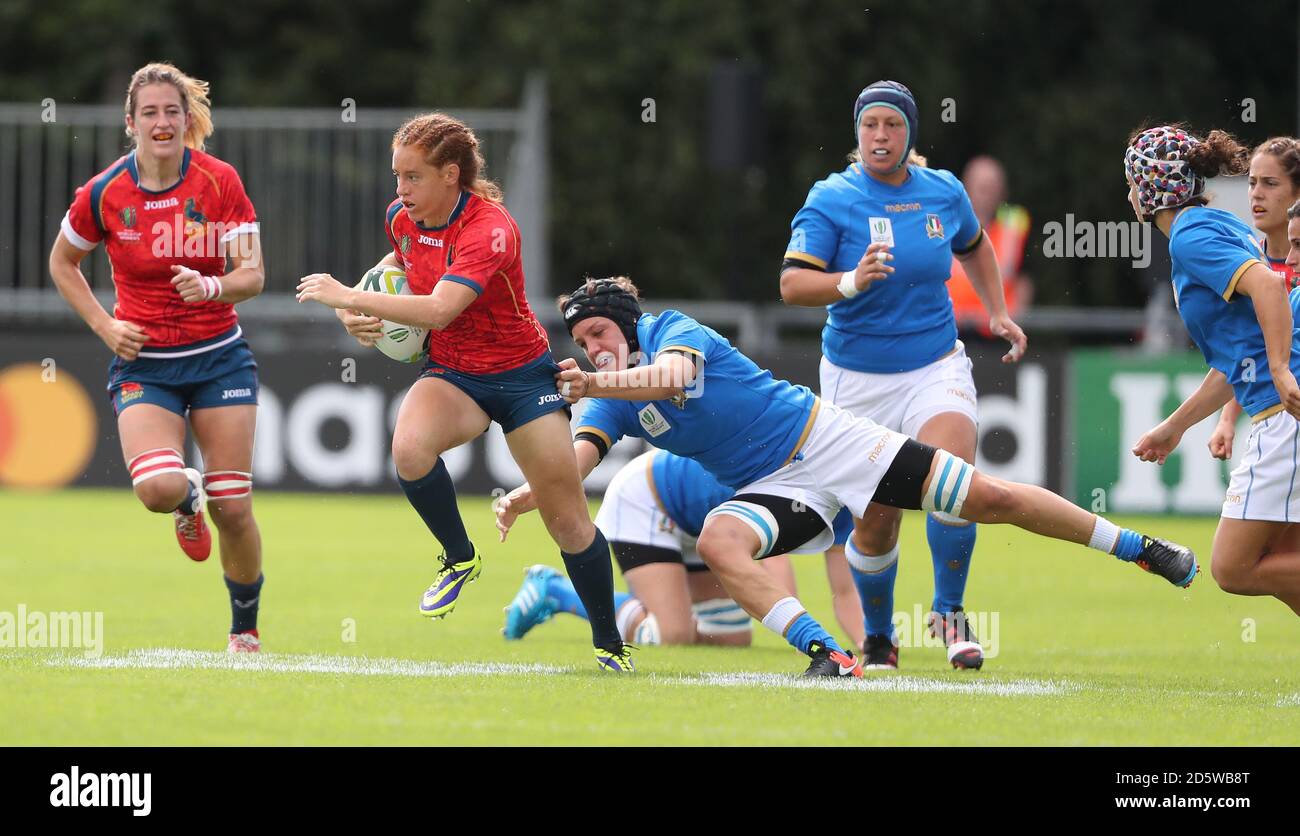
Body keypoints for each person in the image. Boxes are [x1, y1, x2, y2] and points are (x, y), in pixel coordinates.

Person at [496, 277, 1198, 679]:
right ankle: (828, 654)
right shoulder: (610, 399)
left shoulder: (673, 332)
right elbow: (576, 459)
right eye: (581, 342)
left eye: (598, 334)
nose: (591, 348)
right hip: (780, 487)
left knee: (988, 498)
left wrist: (594, 381)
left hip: (828, 441)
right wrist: (534, 492)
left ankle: (1138, 548)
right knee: (718, 540)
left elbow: (674, 378)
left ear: (626, 326)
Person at [295, 113, 632, 671]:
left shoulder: (490, 228)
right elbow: (397, 266)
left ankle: (609, 644)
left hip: (523, 378)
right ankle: (458, 557)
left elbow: (439, 309)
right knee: (409, 449)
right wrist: (353, 309)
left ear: (451, 174)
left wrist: (344, 296)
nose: (401, 189)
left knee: (567, 521)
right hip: (453, 372)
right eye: (397, 176)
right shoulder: (402, 217)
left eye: (413, 177)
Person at [780, 80, 1029, 670]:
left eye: (892, 124)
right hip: (856, 379)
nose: (880, 135)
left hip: (933, 365)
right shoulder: (832, 197)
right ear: (857, 132)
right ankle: (877, 635)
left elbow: (975, 246)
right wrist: (850, 280)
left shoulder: (942, 190)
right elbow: (791, 285)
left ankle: (949, 613)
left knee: (954, 480)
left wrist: (996, 311)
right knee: (875, 524)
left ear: (910, 132)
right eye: (870, 124)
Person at [48, 63, 266, 653]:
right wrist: (104, 324)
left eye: (172, 111)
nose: (162, 122)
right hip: (145, 364)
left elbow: (252, 275)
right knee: (156, 490)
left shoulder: (219, 181)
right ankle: (186, 498)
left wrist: (212, 286)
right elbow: (62, 262)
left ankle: (244, 631)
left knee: (233, 507)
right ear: (131, 122)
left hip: (220, 358)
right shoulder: (104, 192)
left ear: (187, 119)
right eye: (150, 112)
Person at [1128, 126, 1300, 617]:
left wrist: (1280, 368)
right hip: (1278, 410)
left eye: (1131, 183)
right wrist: (1174, 427)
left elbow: (1268, 287)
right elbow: (1237, 359)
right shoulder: (1218, 222)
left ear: (1150, 187)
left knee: (1233, 567)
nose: (1129, 195)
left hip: (1282, 414)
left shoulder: (1190, 237)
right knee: (1284, 561)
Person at [502, 448, 864, 650]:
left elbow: (846, 591)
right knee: (671, 634)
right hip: (648, 500)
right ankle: (557, 591)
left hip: (705, 526)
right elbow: (774, 563)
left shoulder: (845, 506)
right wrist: (808, 639)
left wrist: (872, 646)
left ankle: (653, 604)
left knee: (729, 637)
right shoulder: (799, 481)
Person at [1207, 137, 1300, 461]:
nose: (1257, 193)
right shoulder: (1247, 269)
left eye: (1270, 183)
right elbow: (1249, 353)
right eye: (1252, 183)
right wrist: (1227, 420)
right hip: (1277, 423)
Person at [947, 155, 1034, 335]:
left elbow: (1023, 280)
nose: (986, 195)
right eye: (982, 188)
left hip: (998, 332)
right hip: (952, 328)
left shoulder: (1013, 224)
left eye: (992, 188)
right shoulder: (946, 224)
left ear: (1002, 191)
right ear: (965, 189)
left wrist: (1016, 320)